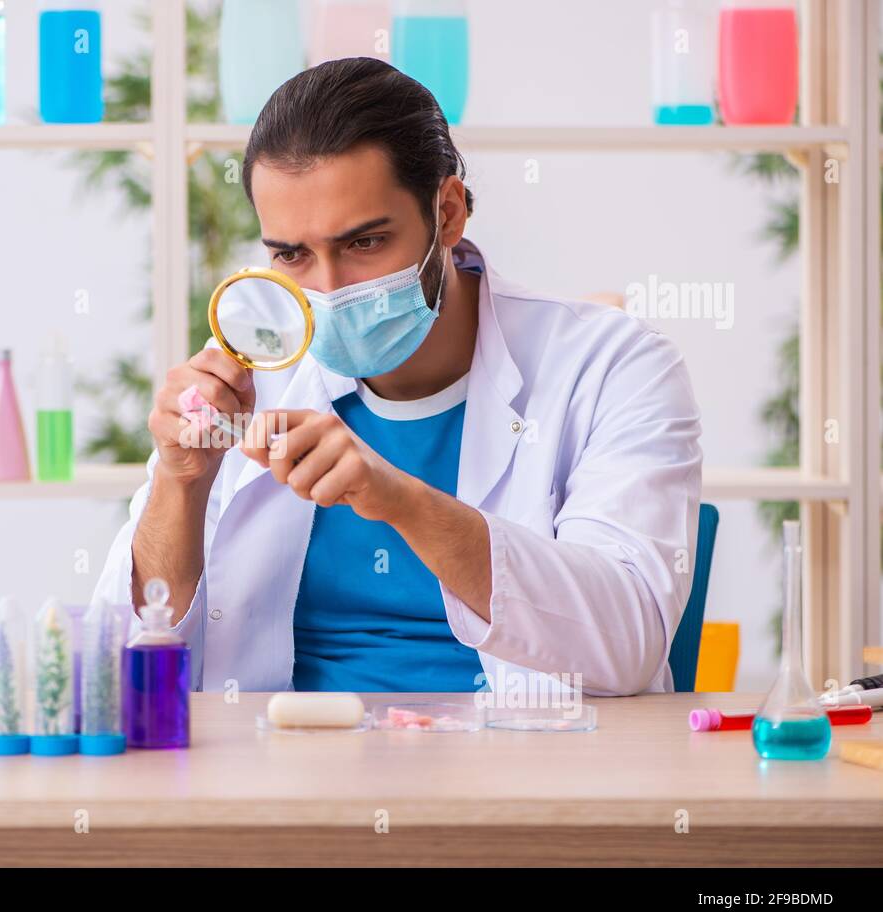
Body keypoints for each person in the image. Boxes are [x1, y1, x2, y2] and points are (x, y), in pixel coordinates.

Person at [90, 57, 702, 696]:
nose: (328, 289)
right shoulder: (248, 378)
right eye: (291, 255)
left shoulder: (613, 366)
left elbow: (629, 641)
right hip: (288, 768)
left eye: (364, 243)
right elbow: (121, 670)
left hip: (523, 769)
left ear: (448, 212)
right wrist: (180, 485)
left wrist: (401, 500)